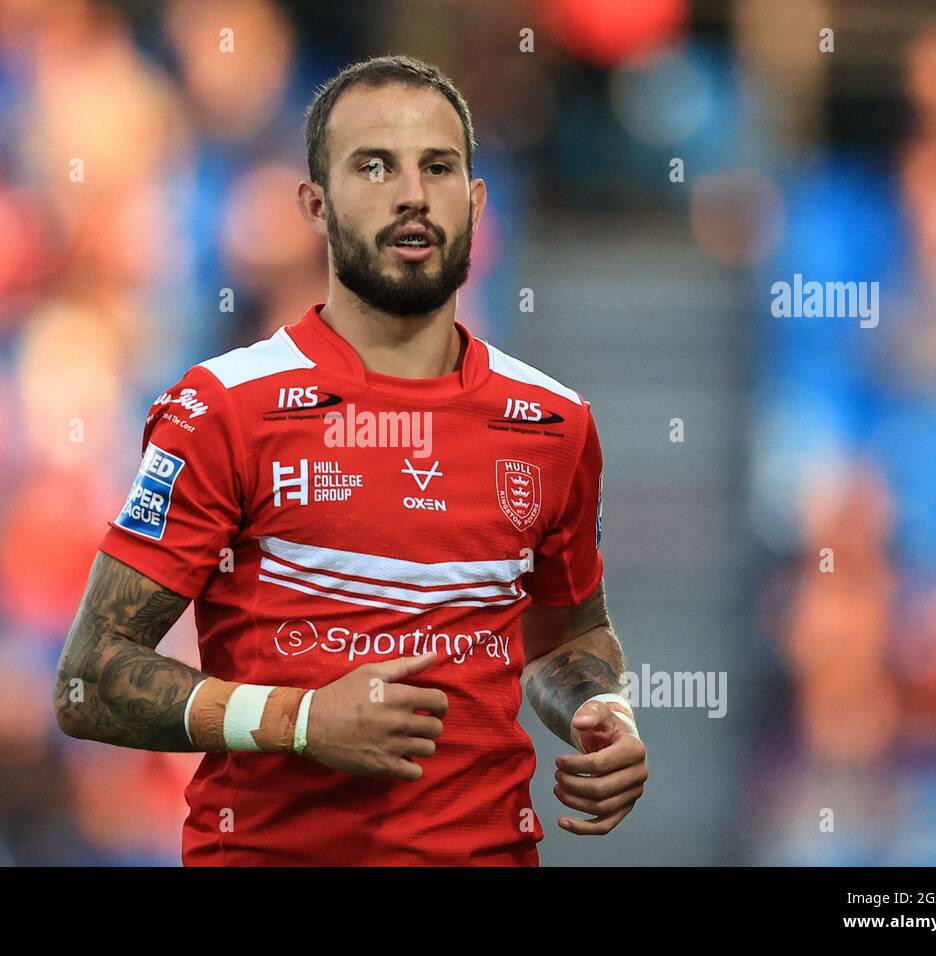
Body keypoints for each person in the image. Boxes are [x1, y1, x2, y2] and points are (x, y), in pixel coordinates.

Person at [53, 54, 647, 866]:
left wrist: (600, 709)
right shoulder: (225, 408)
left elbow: (563, 638)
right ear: (316, 205)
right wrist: (300, 722)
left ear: (473, 202)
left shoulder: (554, 422)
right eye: (375, 166)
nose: (411, 192)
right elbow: (88, 680)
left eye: (437, 167)